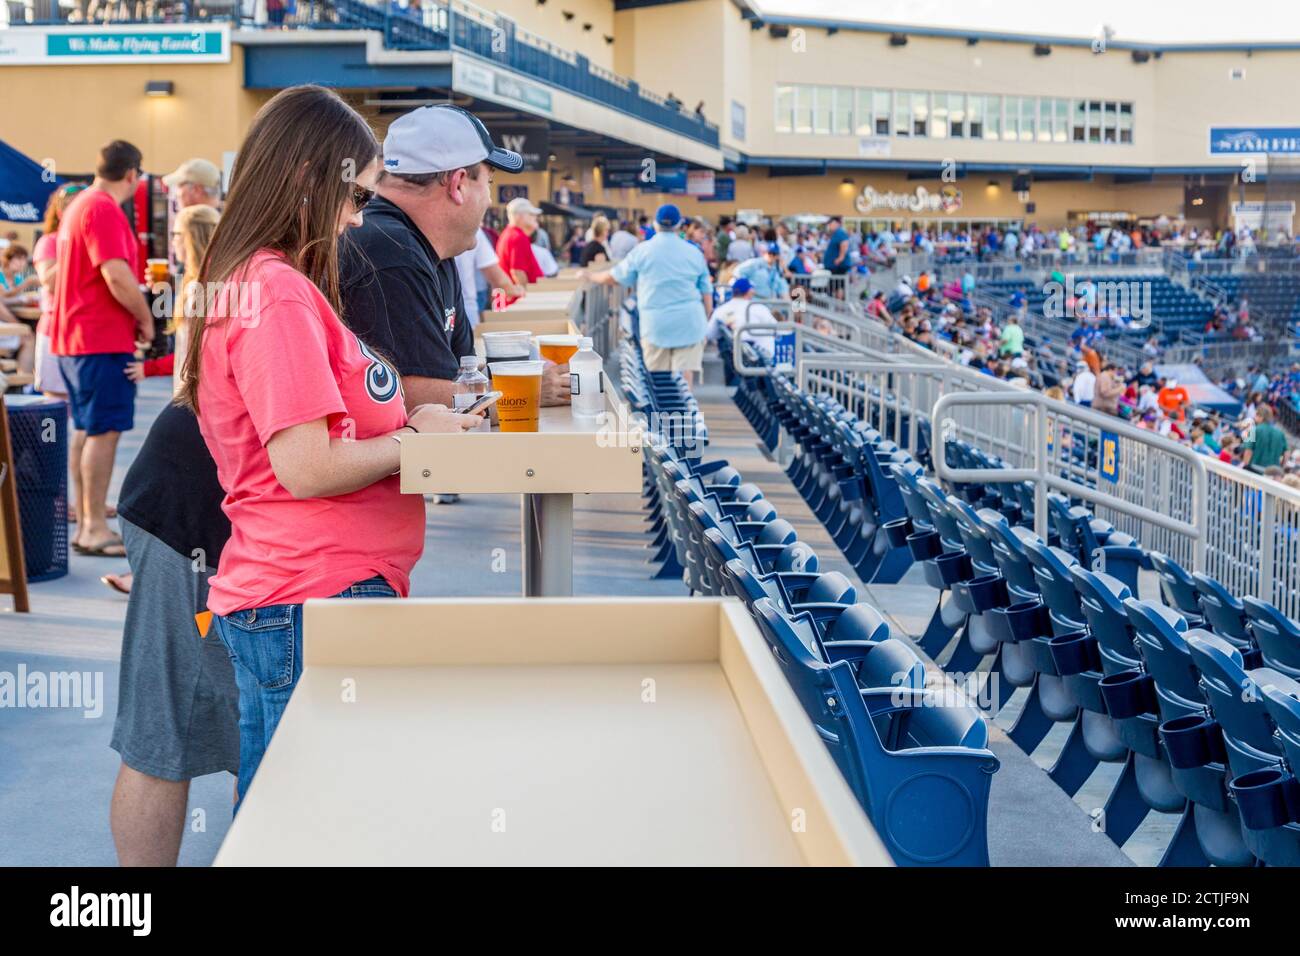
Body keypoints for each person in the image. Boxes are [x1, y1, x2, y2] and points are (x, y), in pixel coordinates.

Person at [178, 85, 484, 808]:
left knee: (281, 813)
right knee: (312, 817)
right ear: (314, 181)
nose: (356, 220)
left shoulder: (264, 281)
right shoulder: (276, 291)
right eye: (355, 199)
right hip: (312, 591)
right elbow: (306, 465)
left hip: (292, 590)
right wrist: (414, 438)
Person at [107, 201, 233, 866]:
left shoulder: (231, 275)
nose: (360, 214)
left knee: (246, 724)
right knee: (165, 731)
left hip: (212, 526)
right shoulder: (261, 276)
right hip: (185, 515)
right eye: (358, 195)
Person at [339, 103, 568, 412]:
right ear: (458, 184)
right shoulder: (391, 252)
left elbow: (460, 372)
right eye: (488, 183)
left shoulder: (435, 249)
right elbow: (415, 397)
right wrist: (523, 390)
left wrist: (518, 370)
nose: (488, 199)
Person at [51, 139, 155, 559]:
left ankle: (85, 519)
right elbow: (114, 273)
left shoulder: (79, 204)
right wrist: (146, 317)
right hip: (98, 338)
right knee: (104, 431)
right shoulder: (104, 209)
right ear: (132, 174)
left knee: (87, 428)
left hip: (75, 337)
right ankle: (93, 525)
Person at [584, 203, 712, 383]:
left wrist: (590, 276)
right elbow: (707, 293)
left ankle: (661, 411)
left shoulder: (642, 251)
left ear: (655, 225)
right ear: (679, 225)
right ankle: (685, 411)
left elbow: (614, 277)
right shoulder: (694, 253)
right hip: (690, 323)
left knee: (658, 380)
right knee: (684, 377)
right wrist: (705, 320)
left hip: (656, 324)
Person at [31, 184, 84, 399]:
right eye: (72, 208)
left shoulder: (92, 240)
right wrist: (73, 244)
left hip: (82, 330)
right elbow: (49, 282)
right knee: (55, 402)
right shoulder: (50, 242)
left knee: (82, 403)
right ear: (60, 212)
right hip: (55, 328)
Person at [454, 226, 522, 328]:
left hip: (434, 309)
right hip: (465, 309)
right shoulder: (474, 230)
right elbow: (498, 279)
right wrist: (518, 290)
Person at [707, 276, 777, 360]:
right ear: (749, 292)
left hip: (732, 358)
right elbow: (777, 329)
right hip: (761, 358)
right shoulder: (759, 308)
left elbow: (710, 334)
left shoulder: (720, 310)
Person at [494, 196, 544, 306]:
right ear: (519, 217)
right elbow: (517, 272)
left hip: (507, 300)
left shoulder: (509, 234)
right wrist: (527, 299)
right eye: (531, 214)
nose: (535, 217)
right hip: (514, 303)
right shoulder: (518, 237)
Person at [1242, 404, 1288, 473]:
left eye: (1256, 415)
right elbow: (1286, 453)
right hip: (1272, 473)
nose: (1254, 417)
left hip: (1254, 470)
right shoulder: (1280, 434)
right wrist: (1281, 467)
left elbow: (1248, 451)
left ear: (1261, 416)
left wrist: (1245, 468)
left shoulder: (1252, 430)